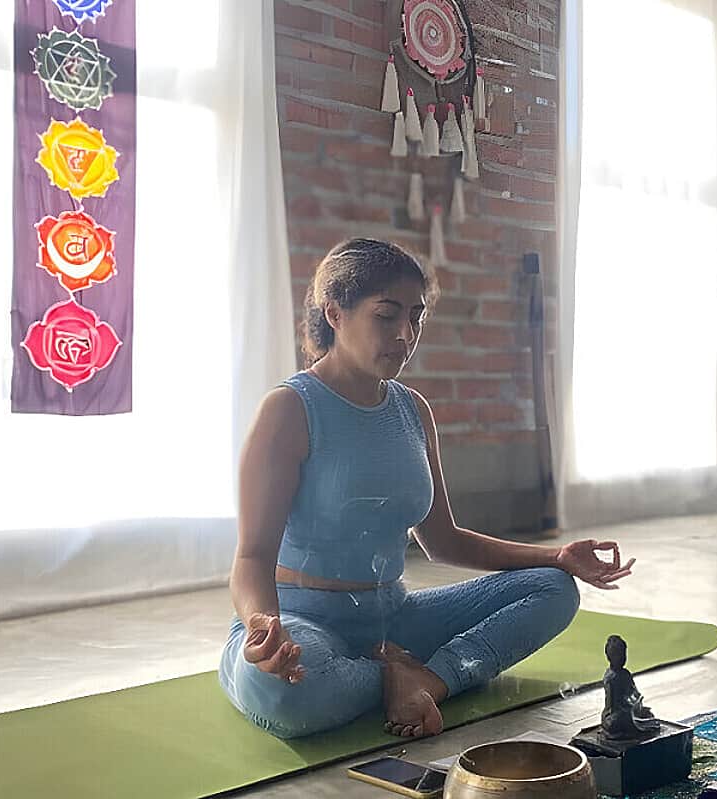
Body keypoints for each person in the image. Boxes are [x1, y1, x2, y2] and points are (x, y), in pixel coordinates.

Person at [218, 238, 635, 739]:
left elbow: (444, 541)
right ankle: (407, 674)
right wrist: (265, 627)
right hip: (301, 624)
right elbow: (251, 559)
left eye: (416, 317)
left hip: (392, 619)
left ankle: (430, 679)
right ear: (334, 312)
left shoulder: (413, 410)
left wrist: (556, 556)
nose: (405, 334)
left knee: (553, 590)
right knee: (286, 692)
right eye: (386, 315)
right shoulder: (289, 409)